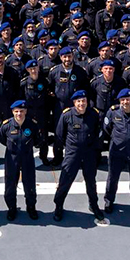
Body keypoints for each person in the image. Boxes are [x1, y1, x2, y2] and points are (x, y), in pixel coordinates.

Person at [53, 90, 103, 222]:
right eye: (79, 101)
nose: (81, 104)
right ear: (74, 103)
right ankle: (59, 205)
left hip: (89, 153)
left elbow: (98, 132)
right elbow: (59, 134)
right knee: (65, 180)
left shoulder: (93, 114)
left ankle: (94, 205)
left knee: (91, 181)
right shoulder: (67, 115)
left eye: (84, 101)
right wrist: (69, 147)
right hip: (73, 153)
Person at [103, 88, 130, 214]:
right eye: (122, 100)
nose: (125, 102)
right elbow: (107, 128)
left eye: (127, 99)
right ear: (119, 101)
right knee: (112, 178)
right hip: (117, 151)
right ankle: (109, 200)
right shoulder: (113, 112)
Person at [0, 99, 41, 220]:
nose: (19, 114)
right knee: (10, 185)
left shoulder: (32, 125)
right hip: (12, 158)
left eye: (22, 111)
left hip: (27, 157)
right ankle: (11, 208)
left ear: (26, 111)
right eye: (16, 111)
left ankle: (31, 207)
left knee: (30, 184)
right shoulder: (6, 126)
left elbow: (37, 140)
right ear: (13, 112)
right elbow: (2, 139)